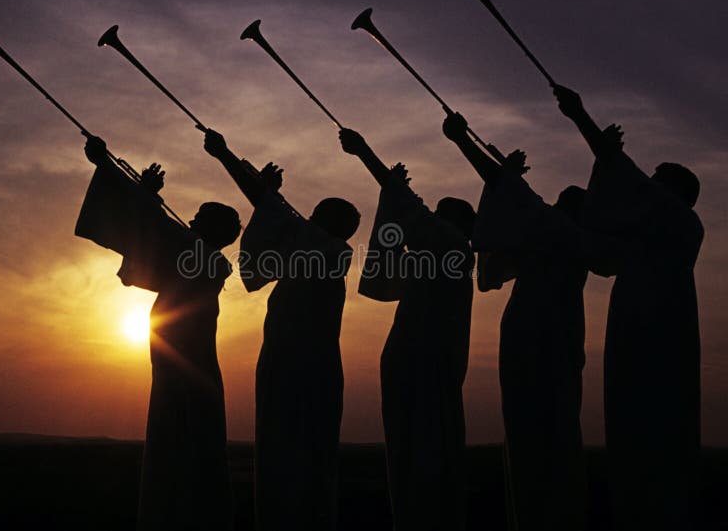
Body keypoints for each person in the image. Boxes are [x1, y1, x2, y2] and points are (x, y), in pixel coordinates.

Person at [443, 112, 620, 530]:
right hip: (548, 338)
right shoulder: (568, 234)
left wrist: (462, 141)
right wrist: (604, 156)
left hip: (539, 338)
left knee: (537, 431)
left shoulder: (557, 228)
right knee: (549, 430)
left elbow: (505, 187)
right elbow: (510, 191)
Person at [554, 85, 703, 531]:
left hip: (657, 345)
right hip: (634, 340)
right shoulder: (648, 234)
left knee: (657, 439)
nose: (648, 187)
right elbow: (598, 239)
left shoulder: (680, 222)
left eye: (656, 182)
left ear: (672, 192)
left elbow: (625, 182)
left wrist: (583, 120)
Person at [75, 136, 240, 531]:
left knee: (184, 444)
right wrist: (136, 189)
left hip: (189, 374)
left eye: (202, 216)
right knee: (174, 442)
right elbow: (155, 237)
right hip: (177, 370)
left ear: (215, 229)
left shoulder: (210, 261)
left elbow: (157, 228)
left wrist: (123, 178)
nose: (194, 219)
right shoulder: (197, 255)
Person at [202, 129, 360, 531]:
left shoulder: (331, 252)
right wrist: (226, 157)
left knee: (299, 456)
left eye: (316, 214)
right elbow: (272, 208)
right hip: (294, 364)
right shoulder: (314, 245)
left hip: (301, 368)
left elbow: (271, 207)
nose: (306, 217)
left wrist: (233, 162)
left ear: (332, 224)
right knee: (285, 452)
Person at [339, 128, 475, 531]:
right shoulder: (434, 258)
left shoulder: (450, 245)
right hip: (417, 358)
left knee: (421, 452)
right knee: (417, 451)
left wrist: (367, 155)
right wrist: (392, 188)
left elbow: (406, 209)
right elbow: (395, 242)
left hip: (422, 360)